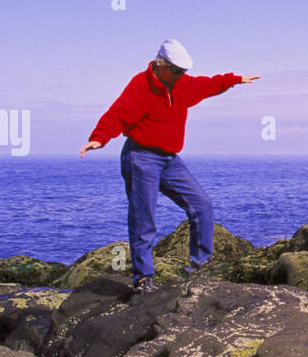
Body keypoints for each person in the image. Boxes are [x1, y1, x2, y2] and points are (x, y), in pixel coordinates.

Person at [80, 39, 259, 293]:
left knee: (202, 206)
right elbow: (118, 113)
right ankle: (143, 279)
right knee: (144, 219)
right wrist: (98, 138)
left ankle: (198, 268)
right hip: (141, 157)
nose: (180, 76)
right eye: (176, 71)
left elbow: (208, 84)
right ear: (159, 64)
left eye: (183, 72)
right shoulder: (140, 85)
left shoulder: (183, 84)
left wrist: (234, 79)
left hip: (170, 159)